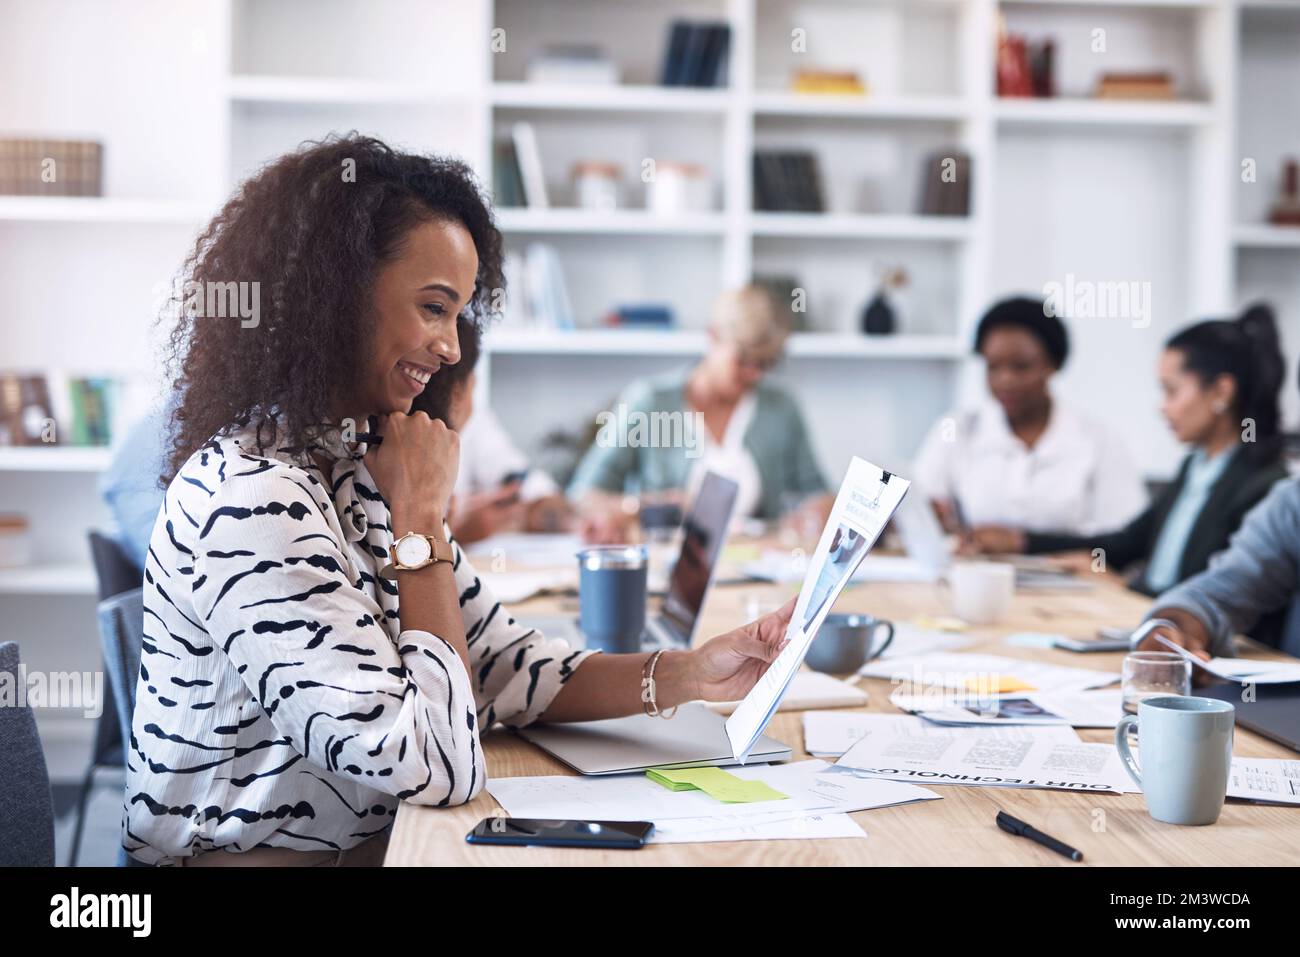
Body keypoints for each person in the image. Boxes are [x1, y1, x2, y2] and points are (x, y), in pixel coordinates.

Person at [125, 135, 797, 866]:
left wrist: (688, 673)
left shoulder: (354, 463)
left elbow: (505, 666)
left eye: (460, 312)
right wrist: (420, 523)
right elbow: (436, 764)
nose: (451, 346)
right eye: (435, 308)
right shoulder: (251, 500)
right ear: (338, 297)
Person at [965, 304, 1289, 595]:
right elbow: (1125, 544)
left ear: (1221, 391)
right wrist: (1023, 542)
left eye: (1171, 391)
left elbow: (1220, 592)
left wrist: (1125, 587)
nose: (1162, 408)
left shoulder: (1264, 486)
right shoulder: (1197, 467)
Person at [568, 284, 831, 542]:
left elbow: (817, 491)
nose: (754, 374)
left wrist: (814, 512)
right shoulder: (649, 401)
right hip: (669, 562)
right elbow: (582, 495)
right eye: (743, 360)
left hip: (758, 560)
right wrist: (648, 506)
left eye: (766, 363)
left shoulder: (781, 407)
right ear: (712, 336)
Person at [912, 296, 1146, 535]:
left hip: (1068, 571)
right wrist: (933, 519)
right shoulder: (957, 429)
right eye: (993, 367)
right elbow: (920, 508)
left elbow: (1123, 536)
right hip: (978, 570)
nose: (1005, 380)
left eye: (1021, 367)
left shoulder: (1099, 440)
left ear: (1052, 365)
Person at [411, 317, 573, 544]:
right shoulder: (400, 456)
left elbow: (531, 486)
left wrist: (523, 509)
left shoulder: (476, 425)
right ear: (460, 391)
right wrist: (451, 532)